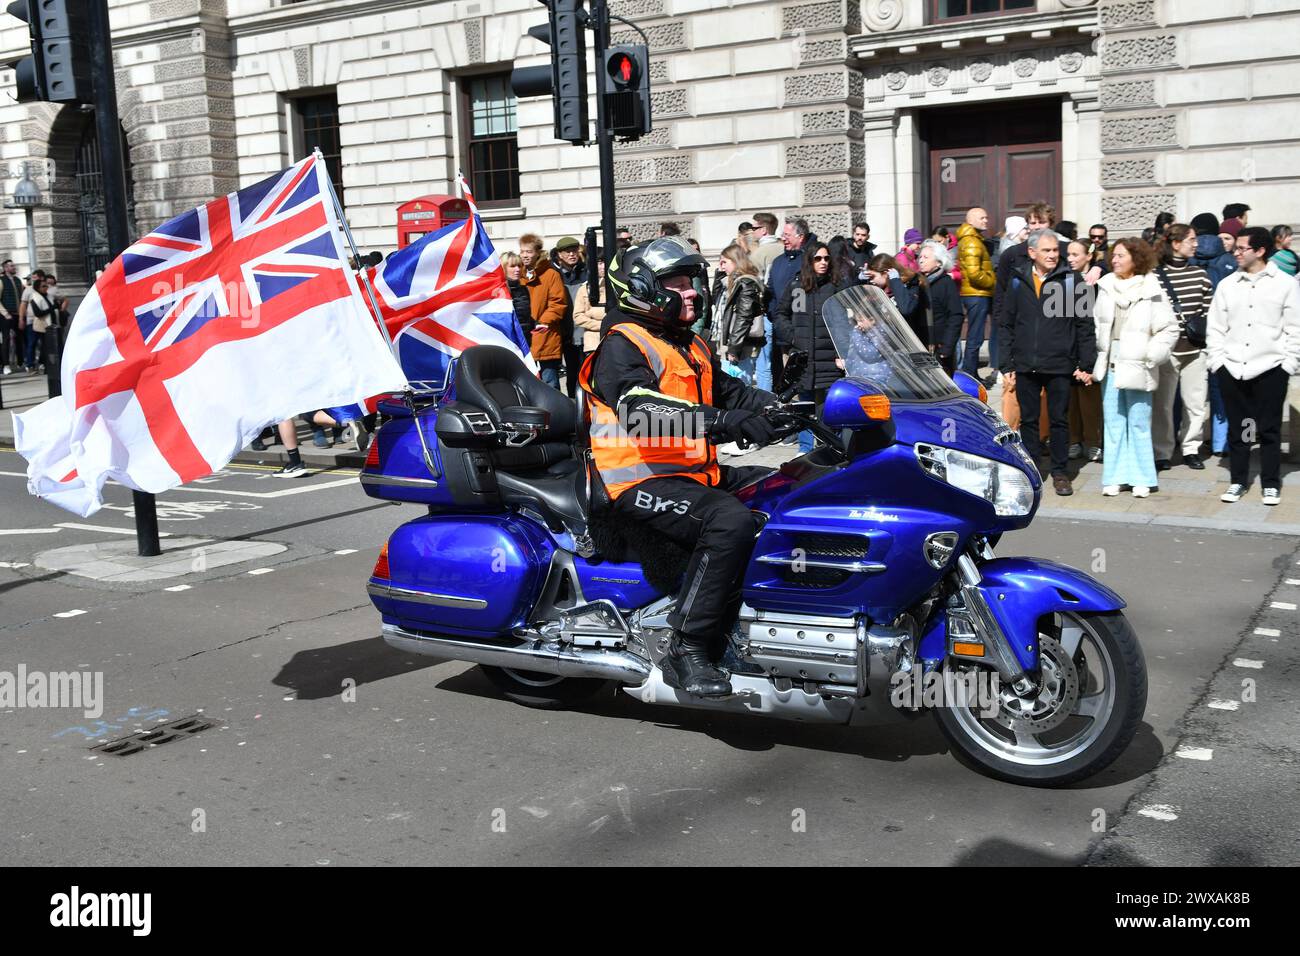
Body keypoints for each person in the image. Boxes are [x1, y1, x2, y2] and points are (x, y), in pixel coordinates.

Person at [580, 236, 782, 698]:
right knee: (727, 519)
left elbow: (733, 395)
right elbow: (640, 411)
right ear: (642, 287)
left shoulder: (688, 344)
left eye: (691, 281)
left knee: (788, 487)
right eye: (677, 282)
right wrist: (725, 424)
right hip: (635, 482)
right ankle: (686, 645)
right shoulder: (621, 344)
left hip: (692, 476)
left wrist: (792, 408)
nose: (691, 291)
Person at [997, 230, 1096, 496]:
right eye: (1046, 251)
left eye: (1055, 250)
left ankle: (1061, 472)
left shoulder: (1073, 281)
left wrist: (1086, 363)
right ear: (1032, 253)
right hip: (1026, 362)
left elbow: (1085, 325)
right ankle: (1033, 470)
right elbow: (1006, 324)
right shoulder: (1017, 280)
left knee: (1059, 420)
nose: (1053, 255)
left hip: (1060, 363)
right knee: (1029, 420)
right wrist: (1006, 363)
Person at [1208, 226, 1300, 505]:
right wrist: (1218, 362)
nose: (1235, 253)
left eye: (1241, 248)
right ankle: (1238, 480)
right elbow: (1215, 328)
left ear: (1260, 251)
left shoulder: (1285, 284)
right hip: (1233, 367)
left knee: (1270, 429)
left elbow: (1294, 328)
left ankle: (1271, 483)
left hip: (1271, 367)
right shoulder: (1227, 285)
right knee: (1241, 428)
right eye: (1235, 247)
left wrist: (1288, 364)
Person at [1092, 238, 1179, 498]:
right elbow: (1097, 323)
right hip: (1110, 360)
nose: (1114, 260)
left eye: (1120, 255)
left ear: (1135, 258)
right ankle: (1115, 476)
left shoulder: (1151, 287)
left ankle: (1142, 477)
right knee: (1113, 421)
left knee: (1140, 421)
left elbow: (1168, 327)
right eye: (1113, 256)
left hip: (1140, 361)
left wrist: (1152, 354)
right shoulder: (1105, 286)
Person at [774, 241, 848, 452]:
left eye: (826, 258)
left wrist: (842, 352)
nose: (823, 262)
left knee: (827, 408)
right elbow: (781, 314)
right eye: (818, 258)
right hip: (804, 357)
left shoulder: (837, 286)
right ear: (809, 261)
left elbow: (845, 321)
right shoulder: (798, 286)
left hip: (829, 359)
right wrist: (794, 337)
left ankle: (827, 448)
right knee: (804, 407)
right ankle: (805, 450)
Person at [1151, 224, 1214, 471]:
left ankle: (1190, 448)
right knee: (1163, 406)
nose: (1196, 244)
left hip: (1196, 349)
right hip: (1168, 352)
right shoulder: (1155, 276)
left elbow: (1209, 312)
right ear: (1176, 244)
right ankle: (1162, 452)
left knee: (1196, 404)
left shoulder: (1201, 274)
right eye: (1191, 239)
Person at [991, 202, 1057, 384]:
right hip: (1022, 330)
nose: (1036, 227)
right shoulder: (1012, 255)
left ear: (1050, 223)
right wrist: (1000, 323)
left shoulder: (1063, 251)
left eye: (1041, 222)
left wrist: (1097, 267)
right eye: (1032, 222)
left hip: (1054, 334)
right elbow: (1001, 293)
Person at [1190, 212, 1239, 458]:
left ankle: (1187, 440)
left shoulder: (1189, 260)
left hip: (1192, 332)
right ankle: (1223, 443)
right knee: (1223, 389)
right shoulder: (1229, 261)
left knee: (1190, 391)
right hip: (1224, 332)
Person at [1065, 239, 1105, 460]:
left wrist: (1102, 266)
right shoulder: (1065, 279)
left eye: (1075, 254)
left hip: (1093, 342)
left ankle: (1093, 440)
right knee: (1071, 397)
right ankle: (1074, 439)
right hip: (1069, 344)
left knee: (1090, 395)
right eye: (1068, 254)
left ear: (1089, 256)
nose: (1070, 259)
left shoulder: (1099, 280)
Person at [765, 217, 813, 392]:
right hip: (779, 327)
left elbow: (800, 297)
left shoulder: (807, 261)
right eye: (782, 234)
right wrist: (774, 316)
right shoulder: (778, 262)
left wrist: (795, 328)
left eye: (787, 235)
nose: (783, 238)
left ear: (800, 237)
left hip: (798, 331)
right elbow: (770, 290)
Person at [711, 243, 766, 387]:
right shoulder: (731, 282)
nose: (721, 267)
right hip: (730, 343)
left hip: (738, 346)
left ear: (736, 261)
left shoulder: (746, 283)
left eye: (724, 262)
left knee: (738, 389)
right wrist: (719, 275)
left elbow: (743, 317)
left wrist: (734, 348)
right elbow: (715, 299)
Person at [518, 233, 567, 389]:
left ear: (538, 252)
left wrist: (543, 322)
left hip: (546, 333)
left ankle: (557, 413)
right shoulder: (519, 274)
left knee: (549, 381)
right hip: (525, 335)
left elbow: (558, 302)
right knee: (527, 384)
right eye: (522, 251)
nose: (525, 255)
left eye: (529, 251)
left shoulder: (551, 274)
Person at [956, 206, 997, 382]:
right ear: (970, 221)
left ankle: (971, 372)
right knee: (975, 336)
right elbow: (973, 274)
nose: (986, 220)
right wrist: (992, 281)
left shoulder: (975, 239)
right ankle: (969, 374)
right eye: (982, 218)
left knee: (976, 335)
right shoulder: (972, 241)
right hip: (977, 294)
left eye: (986, 217)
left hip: (977, 293)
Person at [864, 252, 928, 346]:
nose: (871, 281)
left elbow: (906, 309)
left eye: (873, 277)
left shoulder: (911, 284)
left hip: (909, 344)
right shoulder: (881, 289)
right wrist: (859, 280)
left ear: (885, 273)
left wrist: (895, 281)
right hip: (887, 345)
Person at [920, 239, 963, 375]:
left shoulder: (945, 283)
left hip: (940, 348)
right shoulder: (918, 282)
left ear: (939, 262)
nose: (921, 260)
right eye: (920, 257)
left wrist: (947, 346)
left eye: (926, 257)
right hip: (921, 346)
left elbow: (956, 316)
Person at [571, 254, 606, 356]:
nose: (603, 266)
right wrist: (601, 325)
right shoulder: (584, 289)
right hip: (593, 343)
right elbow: (578, 316)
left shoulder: (616, 287)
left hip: (614, 340)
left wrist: (591, 313)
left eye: (604, 262)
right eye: (599, 263)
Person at [1, 258, 24, 374]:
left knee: (20, 339)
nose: (13, 267)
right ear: (5, 268)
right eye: (11, 266)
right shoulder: (1, 281)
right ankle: (6, 365)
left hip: (17, 314)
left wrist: (21, 315)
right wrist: (5, 313)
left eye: (13, 266)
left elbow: (21, 298)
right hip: (6, 315)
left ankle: (21, 362)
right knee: (6, 339)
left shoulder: (18, 280)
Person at [501, 251, 533, 335]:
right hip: (508, 338)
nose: (518, 269)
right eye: (512, 266)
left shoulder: (524, 289)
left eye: (519, 266)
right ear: (503, 268)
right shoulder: (498, 292)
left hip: (526, 338)